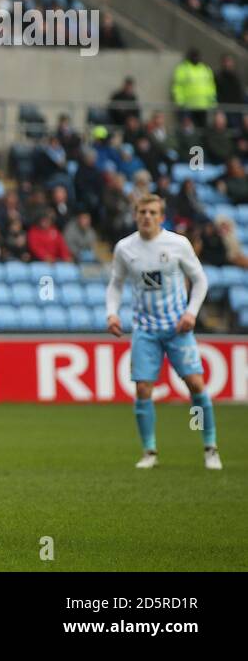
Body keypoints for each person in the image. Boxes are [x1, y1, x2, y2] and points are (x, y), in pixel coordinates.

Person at [106, 195, 219, 470]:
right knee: (143, 388)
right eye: (142, 211)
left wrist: (191, 313)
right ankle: (149, 452)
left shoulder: (178, 244)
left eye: (153, 212)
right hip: (144, 329)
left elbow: (200, 279)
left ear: (161, 216)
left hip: (177, 327)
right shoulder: (125, 248)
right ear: (135, 215)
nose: (147, 216)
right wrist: (112, 312)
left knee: (195, 384)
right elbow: (116, 284)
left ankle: (210, 447)